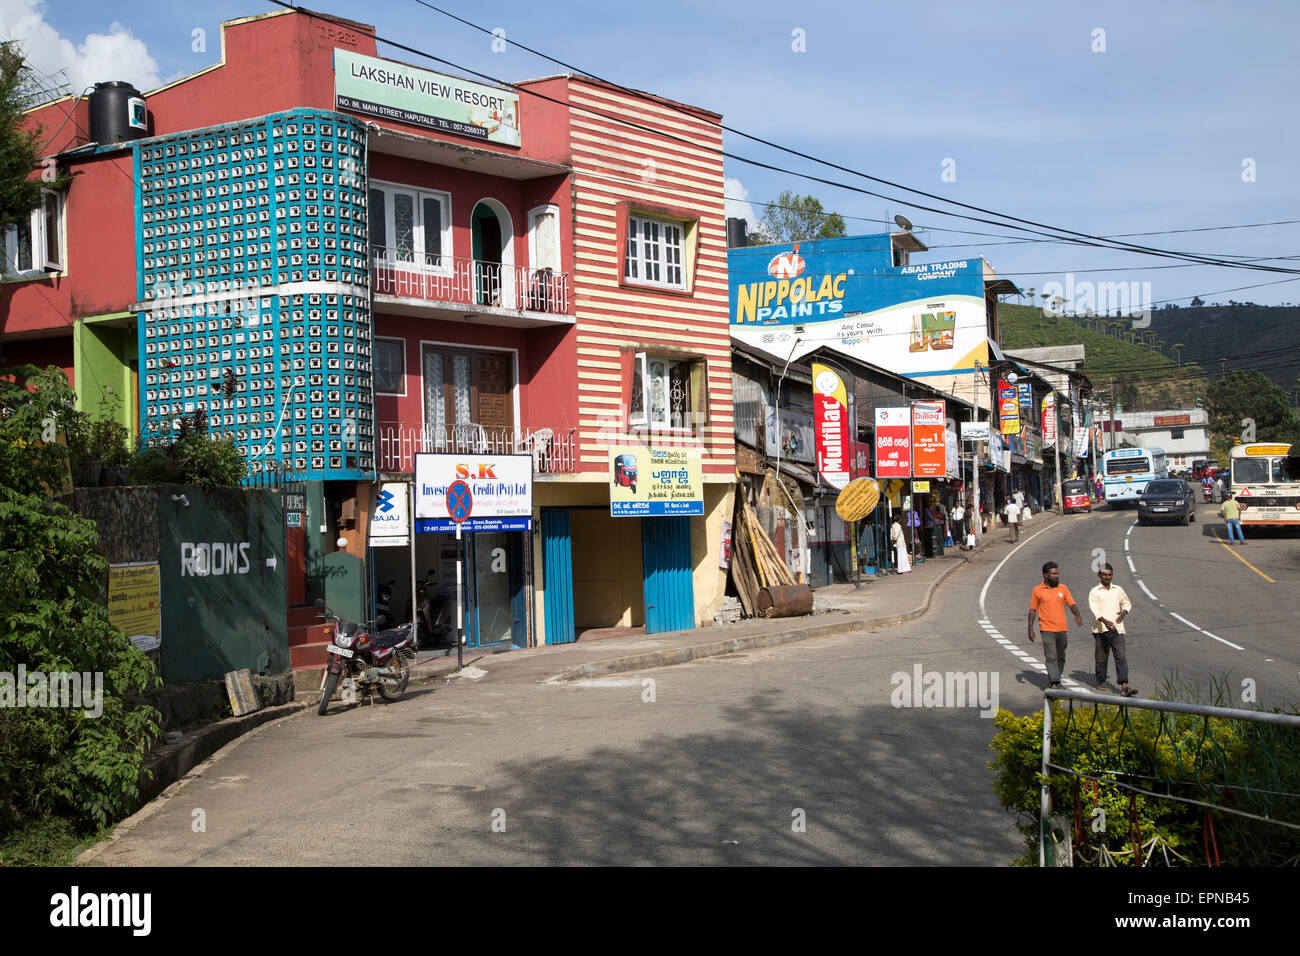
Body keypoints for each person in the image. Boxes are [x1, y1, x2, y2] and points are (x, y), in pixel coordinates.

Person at [1028, 560, 1085, 689]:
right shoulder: (1037, 590)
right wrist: (1030, 629)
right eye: (1053, 573)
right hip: (1047, 629)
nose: (1056, 576)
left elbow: (1071, 604)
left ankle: (1056, 678)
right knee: (1051, 656)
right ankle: (1054, 683)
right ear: (1045, 575)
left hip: (1062, 629)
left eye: (1057, 573)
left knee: (1061, 657)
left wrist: (1077, 615)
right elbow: (1032, 610)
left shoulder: (1063, 588)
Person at [1089, 563, 1138, 696]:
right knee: (1101, 657)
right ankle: (1100, 680)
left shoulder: (1118, 589)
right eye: (1104, 574)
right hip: (1101, 630)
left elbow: (1126, 603)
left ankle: (1124, 687)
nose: (1107, 577)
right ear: (1099, 575)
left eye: (1109, 574)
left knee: (1121, 657)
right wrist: (1104, 621)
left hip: (1117, 629)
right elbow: (1094, 609)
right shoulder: (1094, 591)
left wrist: (1123, 612)